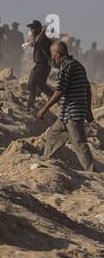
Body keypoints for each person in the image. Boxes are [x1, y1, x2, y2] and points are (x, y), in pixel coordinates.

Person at [37, 41, 97, 171]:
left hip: (72, 113)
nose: (52, 58)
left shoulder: (66, 67)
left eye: (52, 55)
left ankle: (92, 172)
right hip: (67, 114)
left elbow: (60, 91)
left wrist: (44, 108)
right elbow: (88, 89)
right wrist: (88, 110)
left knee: (79, 143)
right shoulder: (78, 65)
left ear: (58, 54)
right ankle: (44, 161)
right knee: (53, 134)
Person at [26, 20, 52, 107]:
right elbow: (34, 43)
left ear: (37, 28)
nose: (31, 30)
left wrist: (43, 31)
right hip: (45, 65)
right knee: (41, 85)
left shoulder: (43, 36)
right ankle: (56, 98)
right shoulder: (39, 36)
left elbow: (37, 41)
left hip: (42, 64)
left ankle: (30, 103)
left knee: (31, 83)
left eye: (32, 28)